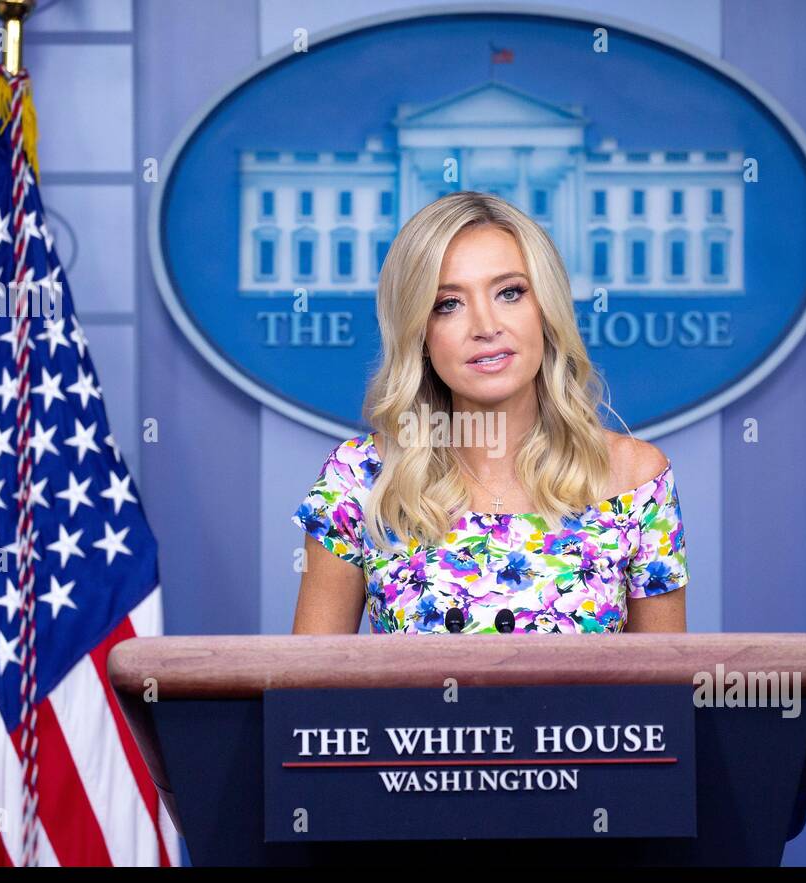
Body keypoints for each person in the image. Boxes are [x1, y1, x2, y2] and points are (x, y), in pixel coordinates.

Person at [290, 190, 687, 634]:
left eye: (510, 293)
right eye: (449, 304)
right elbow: (307, 692)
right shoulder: (360, 479)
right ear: (419, 333)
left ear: (546, 309)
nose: (486, 326)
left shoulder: (637, 480)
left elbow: (661, 693)